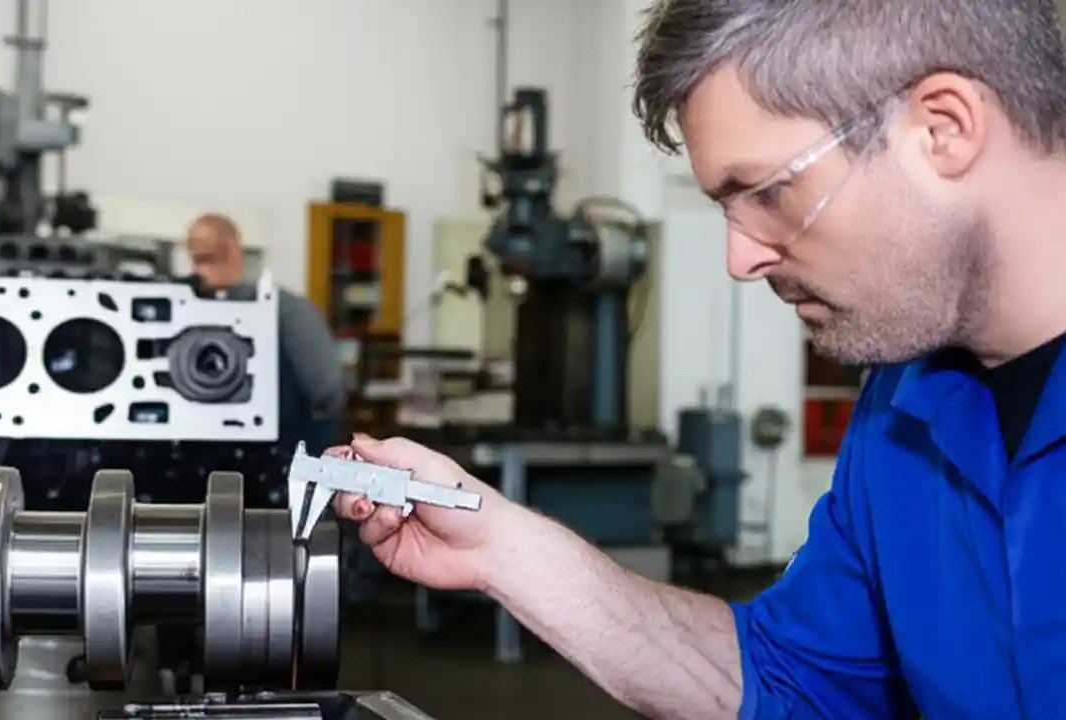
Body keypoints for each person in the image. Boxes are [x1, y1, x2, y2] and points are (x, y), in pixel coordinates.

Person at [322, 1, 1066, 717]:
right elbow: (791, 679)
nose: (740, 258)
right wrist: (500, 545)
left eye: (769, 192)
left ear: (943, 129)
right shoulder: (904, 406)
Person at [184, 213, 346, 454]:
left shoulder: (178, 315)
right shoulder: (287, 310)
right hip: (282, 461)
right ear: (235, 251)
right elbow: (327, 389)